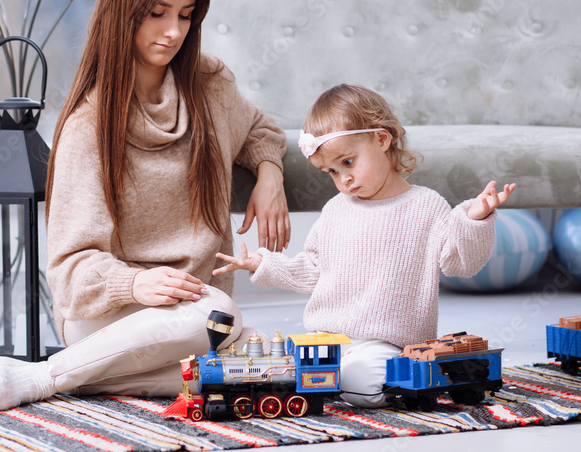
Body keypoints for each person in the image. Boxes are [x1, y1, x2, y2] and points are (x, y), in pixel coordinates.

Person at [0, 0, 290, 410]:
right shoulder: (88, 125)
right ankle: (45, 375)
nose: (173, 31)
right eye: (157, 13)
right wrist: (134, 283)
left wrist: (269, 174)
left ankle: (79, 378)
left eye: (185, 15)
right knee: (222, 316)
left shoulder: (209, 85)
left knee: (263, 356)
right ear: (123, 12)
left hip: (189, 317)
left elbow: (260, 128)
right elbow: (69, 270)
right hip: (108, 316)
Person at [214, 84, 516, 408]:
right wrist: (263, 264)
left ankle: (355, 385)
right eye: (332, 171)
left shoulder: (427, 207)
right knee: (277, 365)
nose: (343, 179)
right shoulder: (336, 209)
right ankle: (329, 384)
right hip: (327, 339)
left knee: (363, 377)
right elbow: (314, 271)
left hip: (386, 344)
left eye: (348, 161)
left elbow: (461, 264)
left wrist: (473, 220)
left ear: (382, 139)